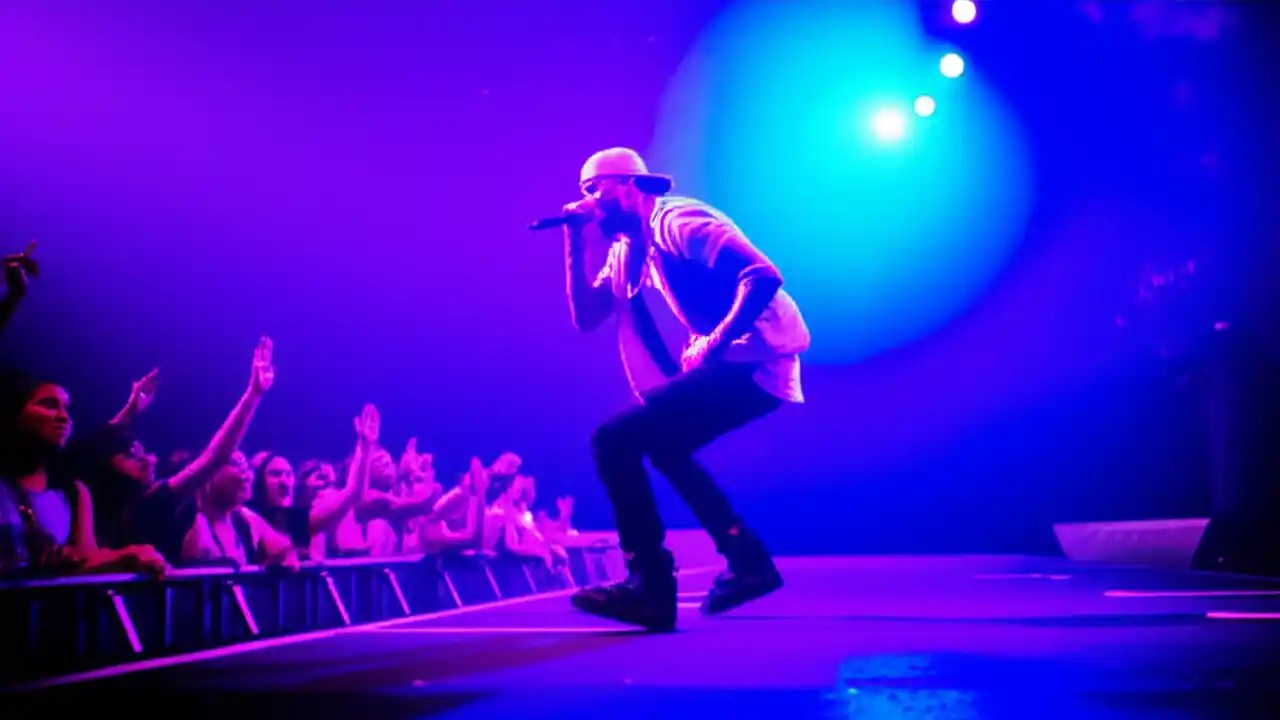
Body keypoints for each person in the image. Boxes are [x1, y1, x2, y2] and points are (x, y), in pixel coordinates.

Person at [560, 147, 810, 630]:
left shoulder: (678, 221)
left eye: (594, 190)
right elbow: (587, 317)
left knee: (613, 439)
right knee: (664, 450)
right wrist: (572, 241)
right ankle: (746, 559)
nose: (587, 203)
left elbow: (763, 276)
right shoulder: (631, 249)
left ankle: (649, 584)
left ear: (628, 186)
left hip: (756, 357)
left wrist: (715, 342)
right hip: (740, 363)